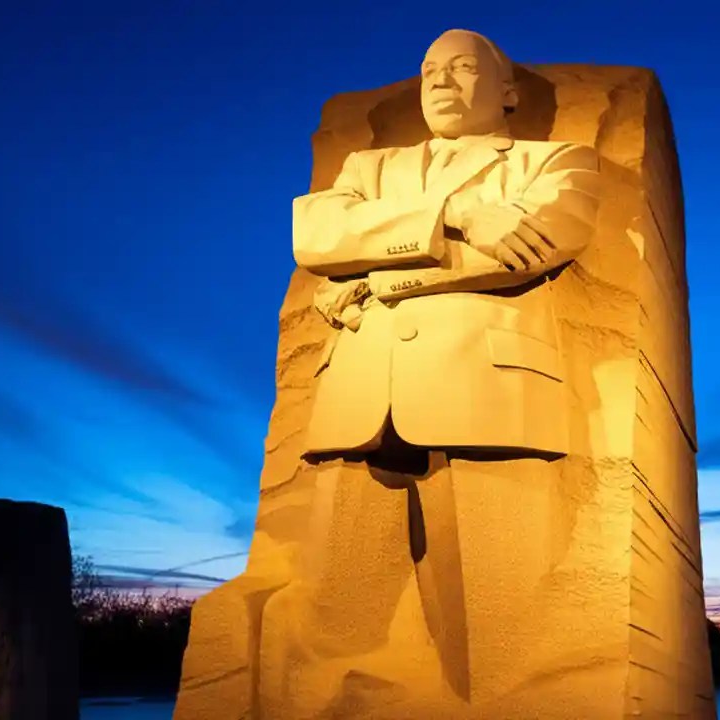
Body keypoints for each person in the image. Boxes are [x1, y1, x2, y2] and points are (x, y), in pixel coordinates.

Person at [254, 29, 605, 716]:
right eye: (429, 70)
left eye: (463, 67)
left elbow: (531, 248)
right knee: (332, 609)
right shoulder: (366, 167)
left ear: (507, 93)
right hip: (357, 394)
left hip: (487, 389)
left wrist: (382, 278)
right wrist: (457, 212)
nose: (441, 80)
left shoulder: (555, 160)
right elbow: (318, 235)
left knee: (498, 617)